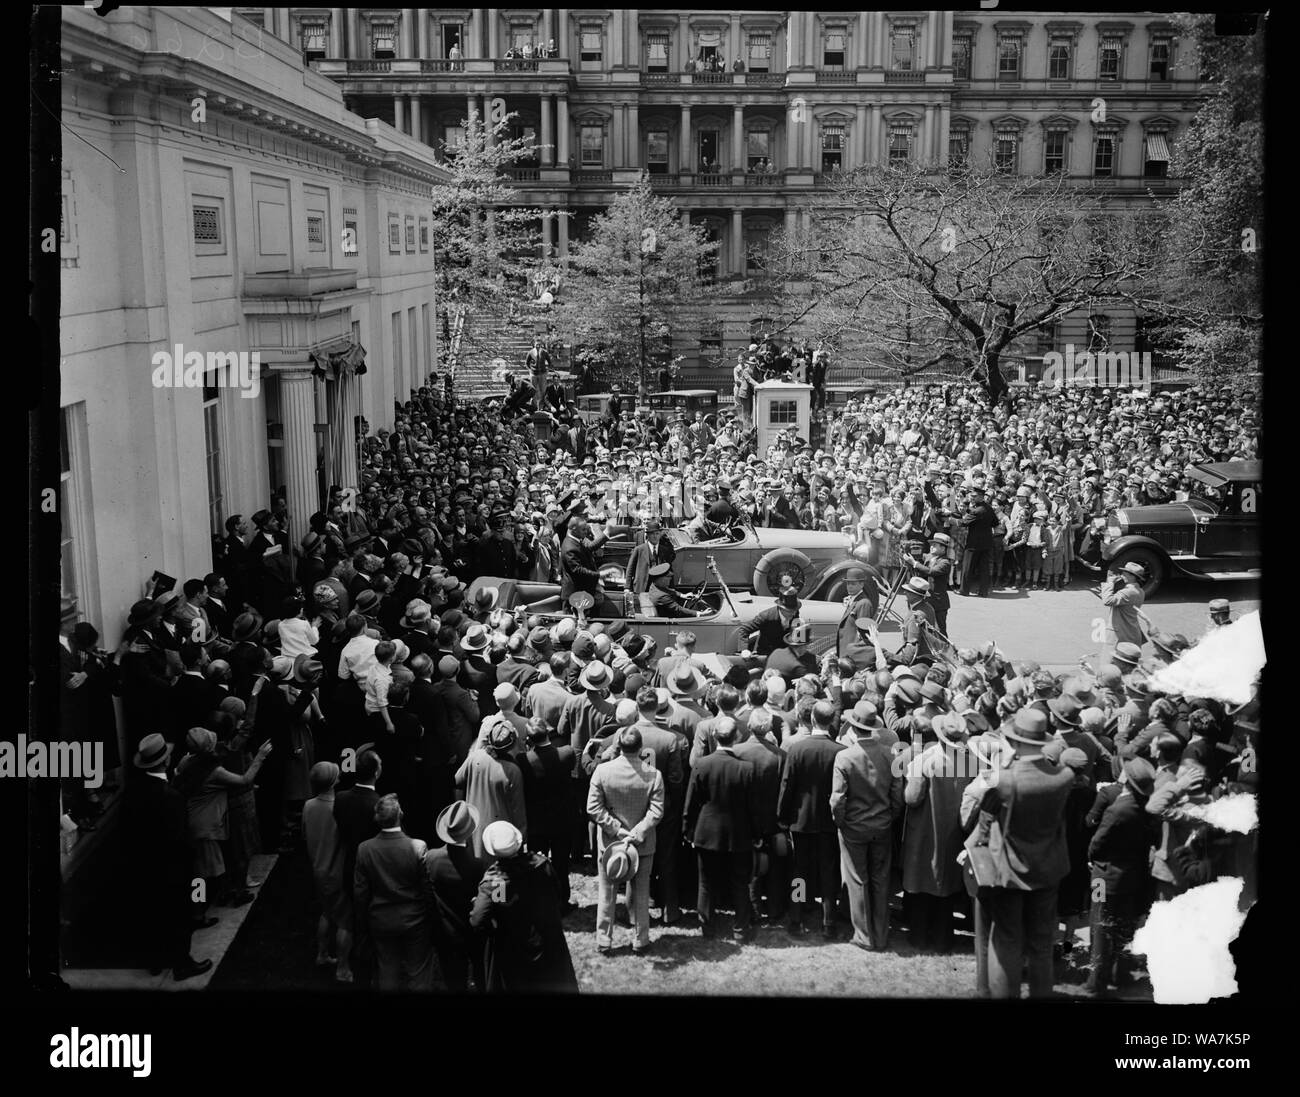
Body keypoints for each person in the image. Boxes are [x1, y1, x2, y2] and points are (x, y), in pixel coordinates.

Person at [977, 707, 1075, 998]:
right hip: (1048, 868)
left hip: (1010, 870)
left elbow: (986, 814)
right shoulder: (1064, 776)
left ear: (1015, 741)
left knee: (1006, 941)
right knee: (1041, 945)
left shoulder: (1004, 779)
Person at [120, 734, 213, 981]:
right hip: (172, 867)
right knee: (180, 915)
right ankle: (182, 963)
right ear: (167, 759)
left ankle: (154, 960)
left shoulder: (132, 789)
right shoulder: (170, 796)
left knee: (150, 913)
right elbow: (180, 838)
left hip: (142, 865)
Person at [470, 821, 578, 993]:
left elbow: (480, 919)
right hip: (547, 944)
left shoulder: (496, 881)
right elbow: (556, 895)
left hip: (514, 953)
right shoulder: (542, 864)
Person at [830, 702, 902, 951]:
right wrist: (889, 818)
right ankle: (881, 935)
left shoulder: (845, 756)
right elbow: (897, 795)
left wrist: (841, 823)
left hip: (854, 828)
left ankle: (863, 935)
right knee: (881, 880)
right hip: (881, 826)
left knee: (857, 880)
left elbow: (837, 799)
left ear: (853, 726)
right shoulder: (890, 753)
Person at [587, 725, 666, 952]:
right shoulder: (654, 775)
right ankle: (641, 940)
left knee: (607, 893)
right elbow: (657, 811)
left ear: (618, 746)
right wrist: (637, 832)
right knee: (641, 894)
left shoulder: (603, 771)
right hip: (642, 845)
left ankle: (604, 940)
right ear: (641, 748)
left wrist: (616, 829)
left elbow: (593, 807)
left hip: (611, 845)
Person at [683, 718, 759, 942]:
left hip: (707, 832)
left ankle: (707, 927)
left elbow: (691, 801)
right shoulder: (746, 768)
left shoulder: (702, 764)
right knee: (739, 882)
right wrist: (756, 835)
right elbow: (752, 807)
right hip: (739, 833)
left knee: (706, 882)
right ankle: (741, 928)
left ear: (715, 736)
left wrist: (687, 830)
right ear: (736, 737)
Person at [1086, 757, 1157, 997]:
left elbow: (1097, 843)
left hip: (1104, 877)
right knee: (1124, 928)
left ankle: (1096, 982)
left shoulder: (1117, 809)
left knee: (1099, 927)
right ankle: (1120, 973)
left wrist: (1091, 857)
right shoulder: (1145, 808)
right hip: (1132, 877)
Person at [777, 700, 846, 938]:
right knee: (828, 871)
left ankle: (796, 918)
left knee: (800, 871)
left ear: (813, 719)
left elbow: (786, 786)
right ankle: (829, 922)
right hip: (828, 821)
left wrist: (783, 818)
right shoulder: (840, 751)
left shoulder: (797, 750)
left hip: (801, 820)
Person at [353, 794, 433, 991]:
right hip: (414, 919)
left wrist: (362, 924)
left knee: (387, 971)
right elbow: (427, 888)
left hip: (380, 920)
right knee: (418, 973)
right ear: (400, 815)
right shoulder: (418, 846)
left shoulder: (365, 849)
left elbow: (360, 893)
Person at [423, 801, 487, 992]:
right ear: (470, 832)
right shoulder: (477, 864)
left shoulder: (431, 858)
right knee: (480, 973)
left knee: (453, 980)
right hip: (472, 931)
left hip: (445, 932)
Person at [302, 761, 350, 982]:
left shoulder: (308, 805)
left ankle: (322, 954)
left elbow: (305, 835)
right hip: (337, 871)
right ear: (333, 781)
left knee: (326, 913)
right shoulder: (338, 807)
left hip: (317, 869)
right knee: (345, 921)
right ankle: (342, 968)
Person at [455, 721, 528, 862]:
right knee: (497, 877)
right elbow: (518, 811)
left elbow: (457, 782)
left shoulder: (475, 757)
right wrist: (521, 840)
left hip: (473, 828)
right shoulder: (513, 771)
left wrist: (461, 810)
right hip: (500, 835)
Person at [959, 485, 996, 597]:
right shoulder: (988, 508)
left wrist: (949, 518)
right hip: (986, 543)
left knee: (967, 567)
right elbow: (995, 523)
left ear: (981, 497)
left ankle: (964, 591)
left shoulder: (977, 510)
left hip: (973, 544)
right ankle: (983, 591)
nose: (972, 498)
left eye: (974, 496)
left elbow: (963, 523)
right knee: (984, 568)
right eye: (971, 495)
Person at [1102, 562, 1148, 650]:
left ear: (1132, 576)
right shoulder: (1140, 591)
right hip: (1132, 632)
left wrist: (1110, 583)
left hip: (1121, 634)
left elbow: (1107, 600)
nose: (1122, 575)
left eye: (1124, 573)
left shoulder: (1128, 592)